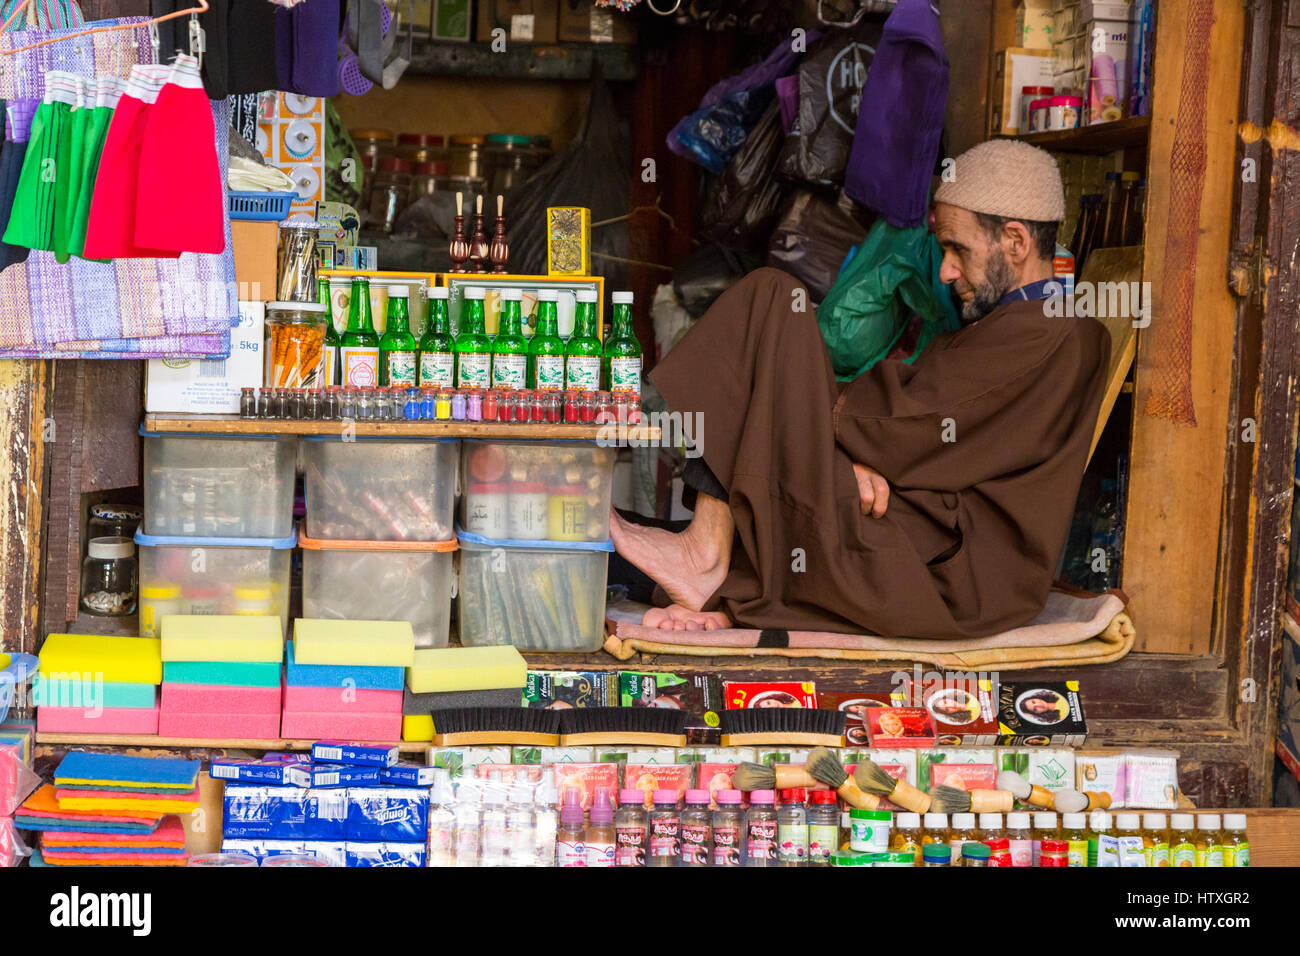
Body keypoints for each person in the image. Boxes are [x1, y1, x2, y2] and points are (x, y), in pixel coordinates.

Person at [611, 140, 1110, 640]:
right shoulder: (1029, 327)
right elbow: (920, 432)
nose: (945, 271)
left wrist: (818, 426)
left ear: (1016, 242)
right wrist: (842, 450)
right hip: (919, 542)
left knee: (772, 302)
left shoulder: (1056, 333)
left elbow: (907, 424)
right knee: (621, 536)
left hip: (936, 578)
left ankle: (705, 554)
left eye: (958, 249)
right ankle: (701, 554)